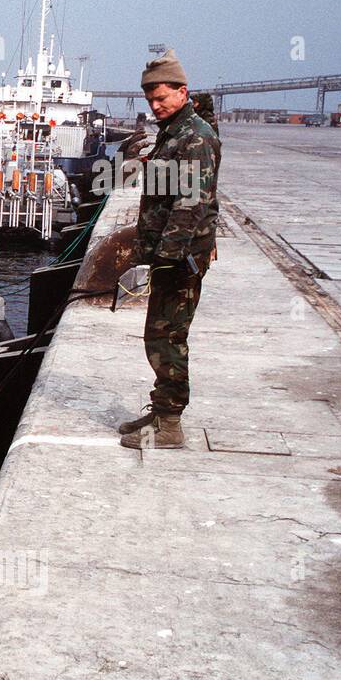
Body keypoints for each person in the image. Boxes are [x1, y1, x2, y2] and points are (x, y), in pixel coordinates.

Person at [118, 49, 221, 449]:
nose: (155, 106)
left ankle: (170, 427)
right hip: (171, 255)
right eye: (150, 101)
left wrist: (168, 255)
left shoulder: (194, 136)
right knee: (159, 336)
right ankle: (161, 410)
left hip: (180, 259)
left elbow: (191, 202)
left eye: (161, 98)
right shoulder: (176, 131)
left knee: (167, 339)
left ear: (183, 91)